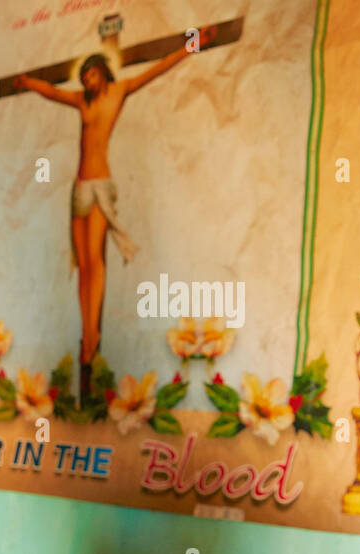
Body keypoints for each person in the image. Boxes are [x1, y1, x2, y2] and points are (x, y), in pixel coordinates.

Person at [13, 25, 215, 398]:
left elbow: (156, 69)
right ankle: (87, 332)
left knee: (95, 257)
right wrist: (28, 82)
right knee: (83, 265)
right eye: (84, 77)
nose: (87, 82)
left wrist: (190, 47)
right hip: (79, 188)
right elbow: (54, 92)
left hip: (101, 185)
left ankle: (93, 337)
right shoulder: (82, 102)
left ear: (103, 72)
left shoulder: (118, 92)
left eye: (91, 74)